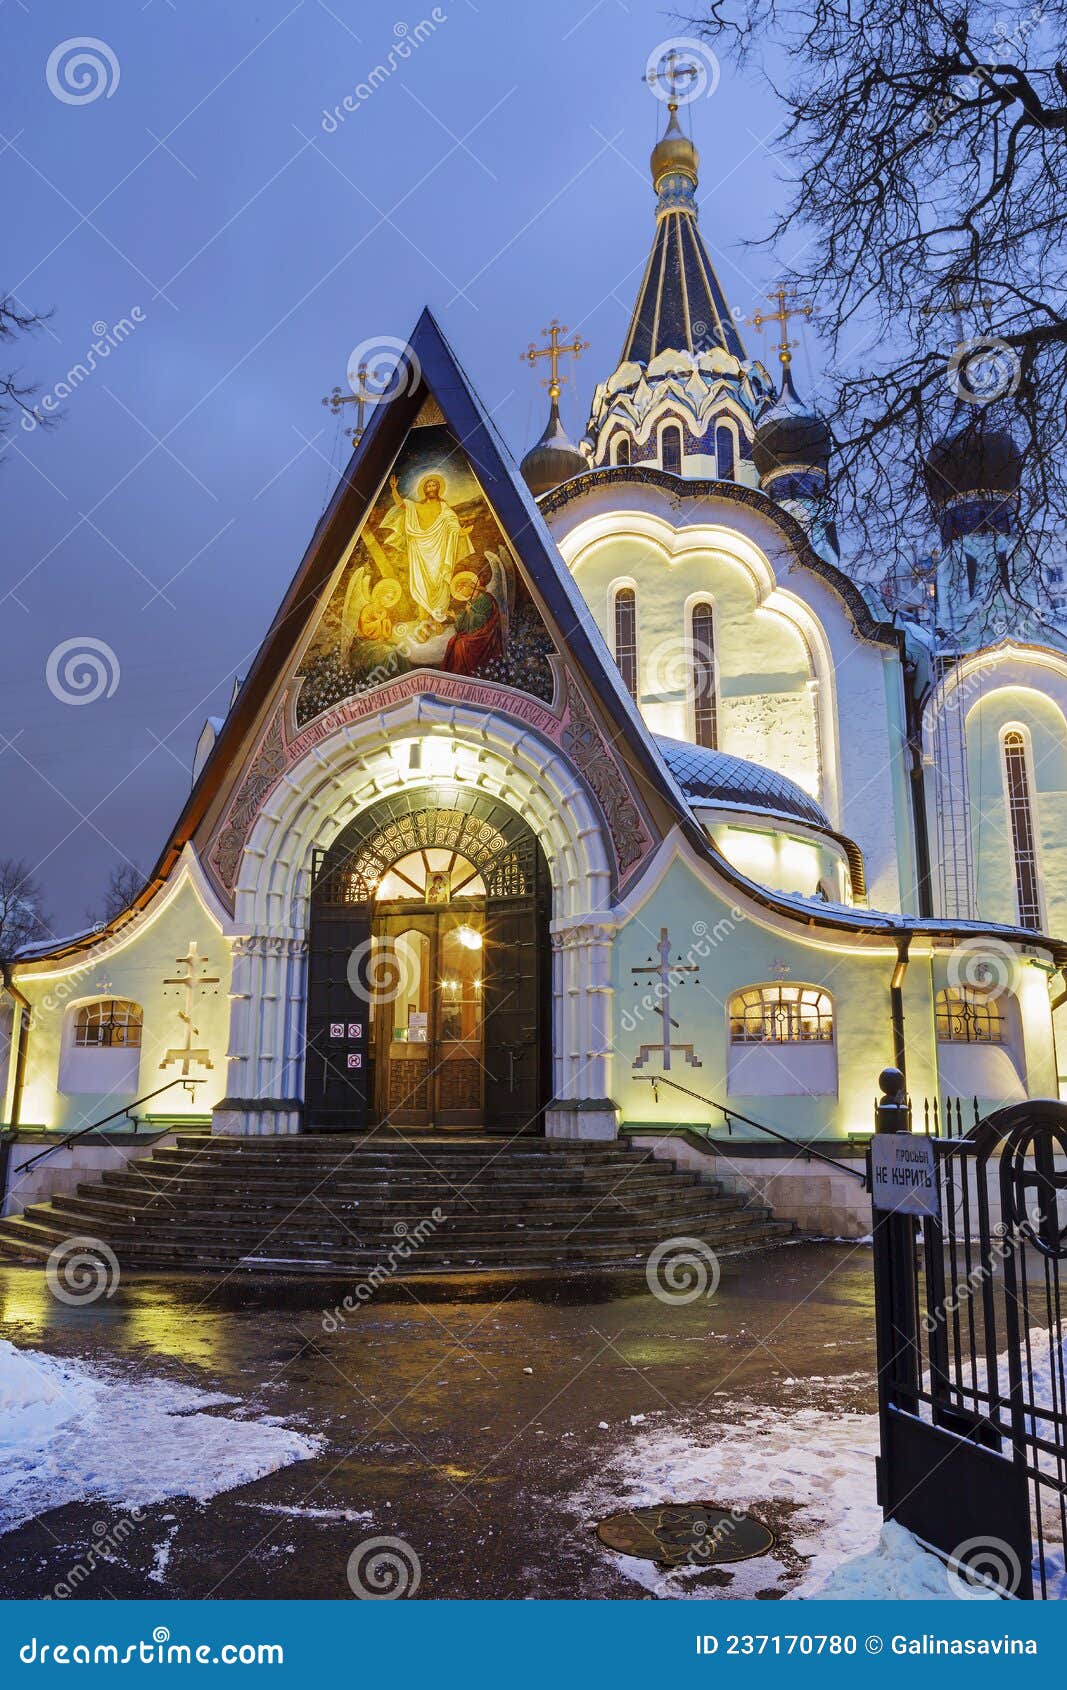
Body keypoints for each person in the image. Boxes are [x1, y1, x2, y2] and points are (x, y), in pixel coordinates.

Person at [380, 472, 474, 634]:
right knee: (421, 583)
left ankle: (438, 617)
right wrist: (394, 490)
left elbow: (453, 526)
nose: (431, 488)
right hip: (420, 549)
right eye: (428, 485)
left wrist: (461, 532)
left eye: (434, 485)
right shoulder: (418, 506)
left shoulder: (445, 508)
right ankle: (424, 618)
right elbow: (401, 504)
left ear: (438, 488)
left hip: (439, 551)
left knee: (440, 581)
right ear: (424, 489)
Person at [441, 569, 503, 675]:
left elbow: (482, 621)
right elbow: (464, 626)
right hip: (474, 632)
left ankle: (464, 673)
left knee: (461, 645)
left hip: (484, 635)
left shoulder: (485, 599)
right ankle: (453, 673)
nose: (459, 593)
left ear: (469, 587)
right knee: (453, 641)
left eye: (460, 589)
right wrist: (455, 616)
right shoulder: (472, 601)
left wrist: (470, 612)